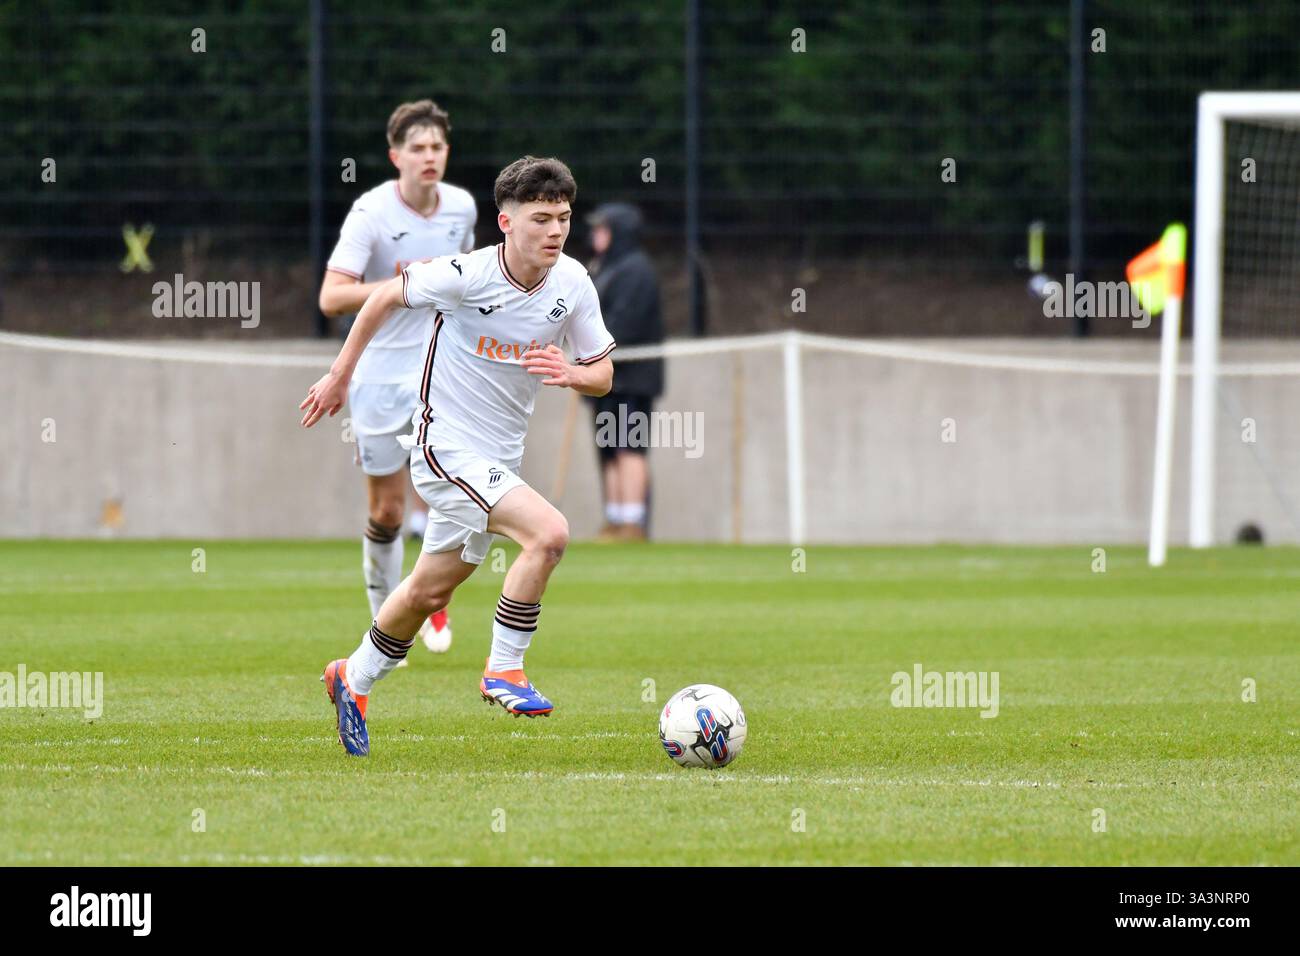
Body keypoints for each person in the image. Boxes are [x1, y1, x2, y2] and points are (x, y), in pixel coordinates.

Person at [300, 156, 616, 756]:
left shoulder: (572, 282)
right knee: (549, 534)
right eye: (542, 219)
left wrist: (573, 373)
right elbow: (380, 300)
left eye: (565, 218)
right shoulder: (464, 275)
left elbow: (603, 373)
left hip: (498, 457)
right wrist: (341, 375)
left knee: (429, 591)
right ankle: (504, 669)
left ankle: (353, 677)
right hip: (443, 447)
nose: (555, 231)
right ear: (505, 221)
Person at [318, 99, 475, 656]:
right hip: (380, 378)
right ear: (396, 156)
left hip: (444, 371)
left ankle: (430, 599)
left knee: (451, 492)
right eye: (417, 148)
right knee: (387, 511)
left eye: (437, 147)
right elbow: (332, 295)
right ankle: (382, 617)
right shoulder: (371, 214)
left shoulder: (461, 208)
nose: (429, 156)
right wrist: (402, 282)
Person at [585, 203, 664, 540]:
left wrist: (591, 349)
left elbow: (624, 323)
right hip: (607, 378)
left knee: (628, 445)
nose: (596, 234)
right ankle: (615, 517)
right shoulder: (604, 268)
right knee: (608, 445)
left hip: (632, 377)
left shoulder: (636, 270)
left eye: (603, 228)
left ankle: (633, 520)